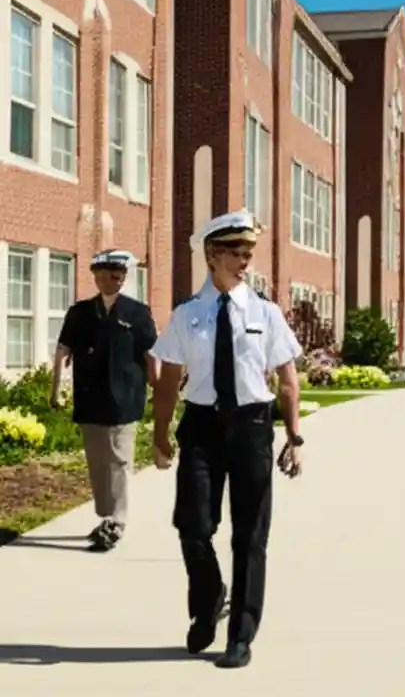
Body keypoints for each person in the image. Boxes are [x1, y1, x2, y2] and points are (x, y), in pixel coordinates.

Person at [149, 211, 305, 668]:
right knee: (192, 525)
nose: (245, 262)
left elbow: (288, 381)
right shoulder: (187, 314)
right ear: (212, 254)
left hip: (252, 427)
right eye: (237, 253)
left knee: (250, 535)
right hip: (200, 427)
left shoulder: (265, 312)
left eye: (249, 254)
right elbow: (168, 380)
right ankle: (209, 597)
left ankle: (241, 634)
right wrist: (160, 433)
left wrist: (294, 437)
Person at [50, 249, 157, 552]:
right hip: (90, 399)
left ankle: (117, 521)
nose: (117, 279)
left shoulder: (138, 313)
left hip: (126, 399)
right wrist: (55, 390)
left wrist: (161, 391)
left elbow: (152, 356)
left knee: (120, 461)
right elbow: (62, 351)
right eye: (110, 274)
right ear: (96, 277)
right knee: (98, 461)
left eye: (121, 274)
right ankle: (106, 515)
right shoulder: (80, 313)